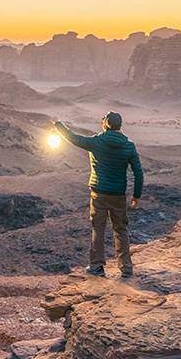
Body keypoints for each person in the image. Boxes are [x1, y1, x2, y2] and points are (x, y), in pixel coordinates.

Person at [53, 112, 143, 278]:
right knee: (121, 230)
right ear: (120, 126)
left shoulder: (96, 142)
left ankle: (97, 267)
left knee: (98, 230)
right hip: (118, 195)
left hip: (99, 194)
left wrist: (58, 124)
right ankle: (126, 268)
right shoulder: (129, 146)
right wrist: (136, 196)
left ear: (105, 125)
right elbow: (138, 172)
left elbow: (73, 138)